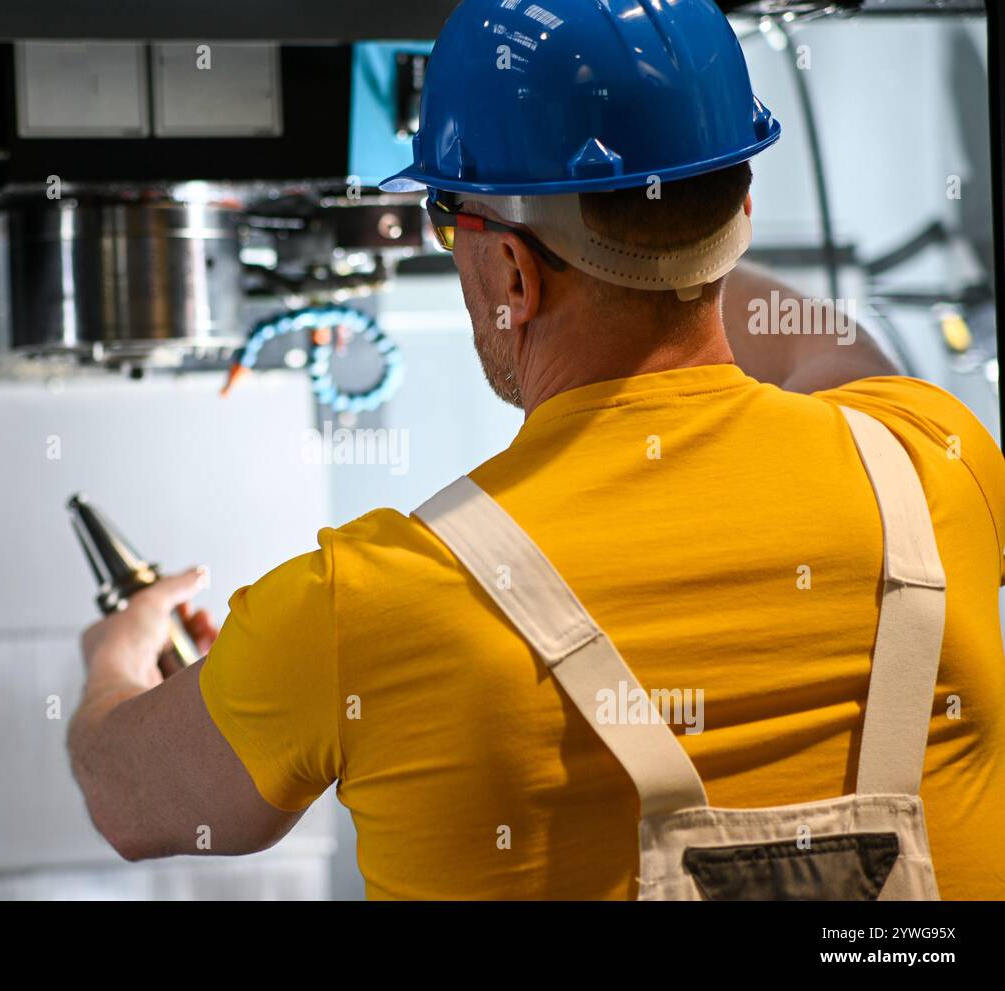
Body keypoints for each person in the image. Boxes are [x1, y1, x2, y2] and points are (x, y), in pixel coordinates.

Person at [67, 0, 1005, 898]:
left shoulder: (363, 610)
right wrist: (671, 238)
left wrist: (119, 654)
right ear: (740, 211)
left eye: (447, 221)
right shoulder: (932, 463)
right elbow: (821, 347)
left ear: (511, 271)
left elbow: (125, 795)